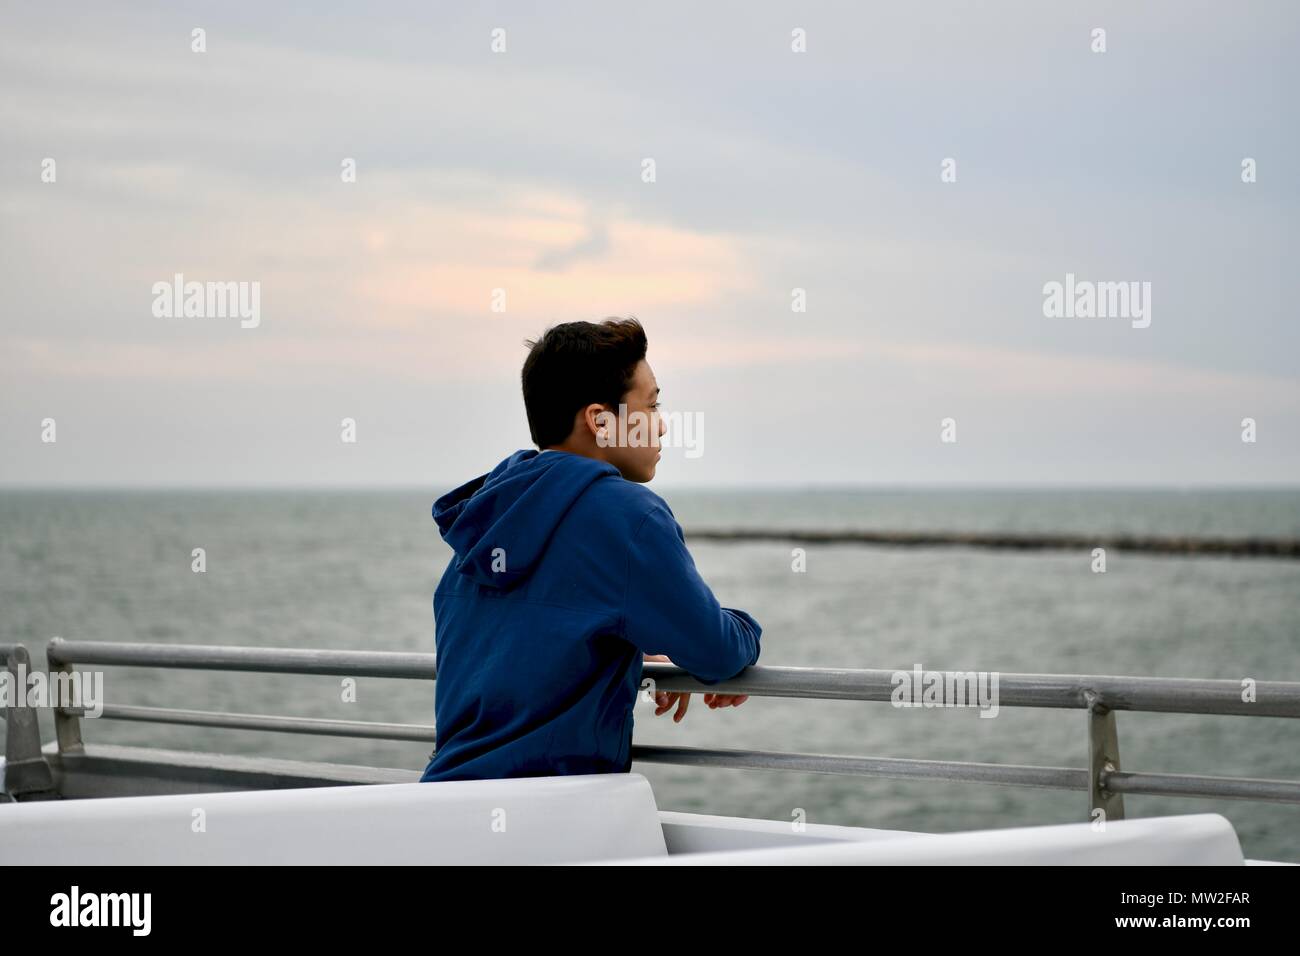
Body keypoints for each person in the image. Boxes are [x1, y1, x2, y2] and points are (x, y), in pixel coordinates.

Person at [419, 317, 761, 782]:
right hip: (554, 818)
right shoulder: (628, 514)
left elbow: (528, 642)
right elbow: (718, 651)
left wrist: (628, 649)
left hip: (447, 805)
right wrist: (746, 630)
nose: (661, 427)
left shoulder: (488, 515)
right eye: (651, 406)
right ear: (600, 420)